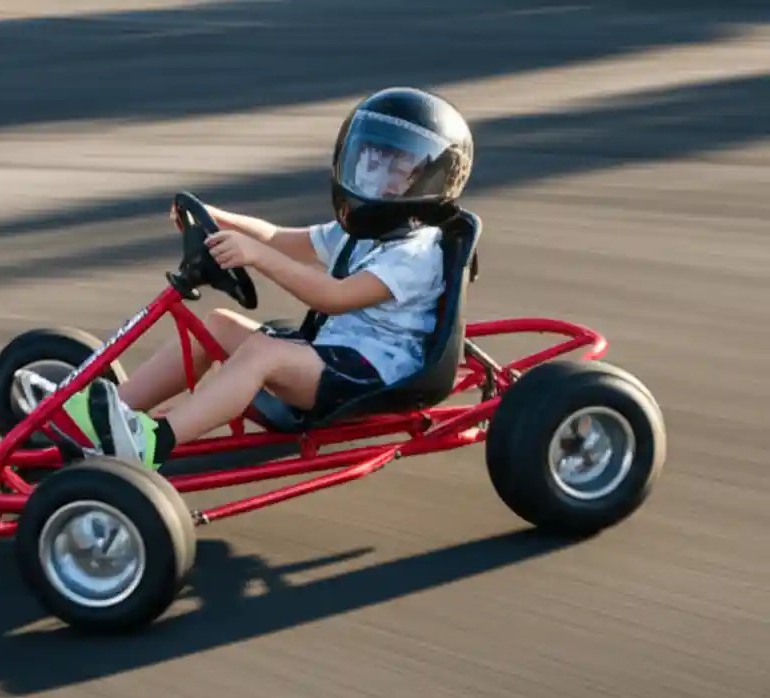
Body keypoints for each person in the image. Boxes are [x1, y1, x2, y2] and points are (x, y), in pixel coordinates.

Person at [58, 86, 475, 470]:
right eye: (373, 158)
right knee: (219, 323)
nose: (378, 173)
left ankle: (153, 444)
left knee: (262, 353)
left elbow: (335, 297)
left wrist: (257, 257)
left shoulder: (416, 253)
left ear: (429, 179)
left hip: (372, 377)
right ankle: (108, 416)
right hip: (336, 355)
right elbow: (278, 238)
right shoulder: (362, 232)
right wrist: (216, 217)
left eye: (396, 165)